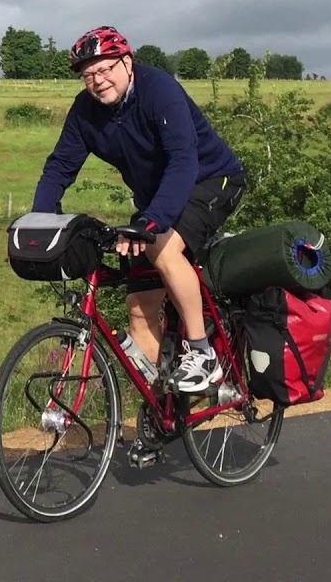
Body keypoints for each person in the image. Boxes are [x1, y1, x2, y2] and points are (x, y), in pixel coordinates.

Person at [30, 26, 246, 393]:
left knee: (162, 246)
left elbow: (182, 160)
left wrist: (152, 221)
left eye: (105, 70)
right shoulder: (86, 111)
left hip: (212, 180)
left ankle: (202, 353)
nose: (97, 81)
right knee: (138, 306)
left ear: (127, 63)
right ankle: (163, 406)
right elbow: (59, 168)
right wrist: (38, 223)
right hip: (157, 199)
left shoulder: (158, 91)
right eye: (88, 76)